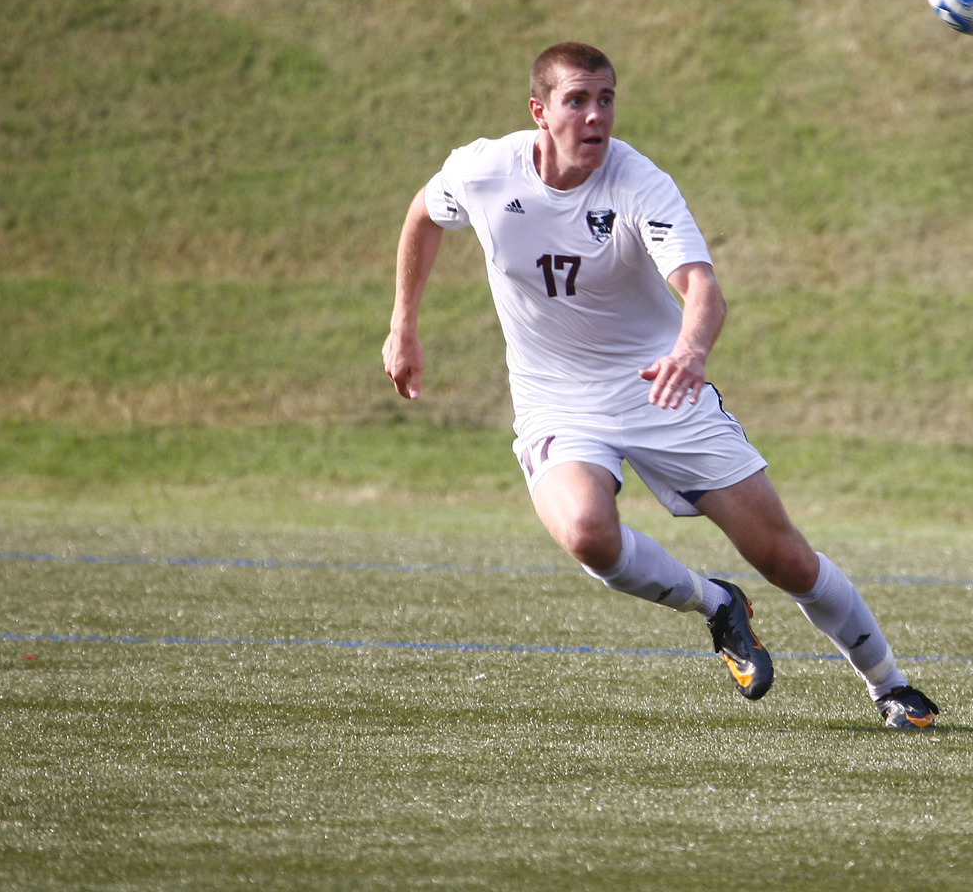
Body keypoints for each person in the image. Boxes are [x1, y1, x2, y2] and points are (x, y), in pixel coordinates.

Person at [382, 42, 937, 729]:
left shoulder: (638, 182)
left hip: (660, 385)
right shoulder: (484, 170)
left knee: (784, 557)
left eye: (606, 99)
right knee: (587, 531)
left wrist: (691, 349)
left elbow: (702, 288)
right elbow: (422, 214)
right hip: (557, 399)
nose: (595, 116)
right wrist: (403, 323)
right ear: (539, 112)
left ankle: (889, 683)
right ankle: (716, 606)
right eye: (576, 100)